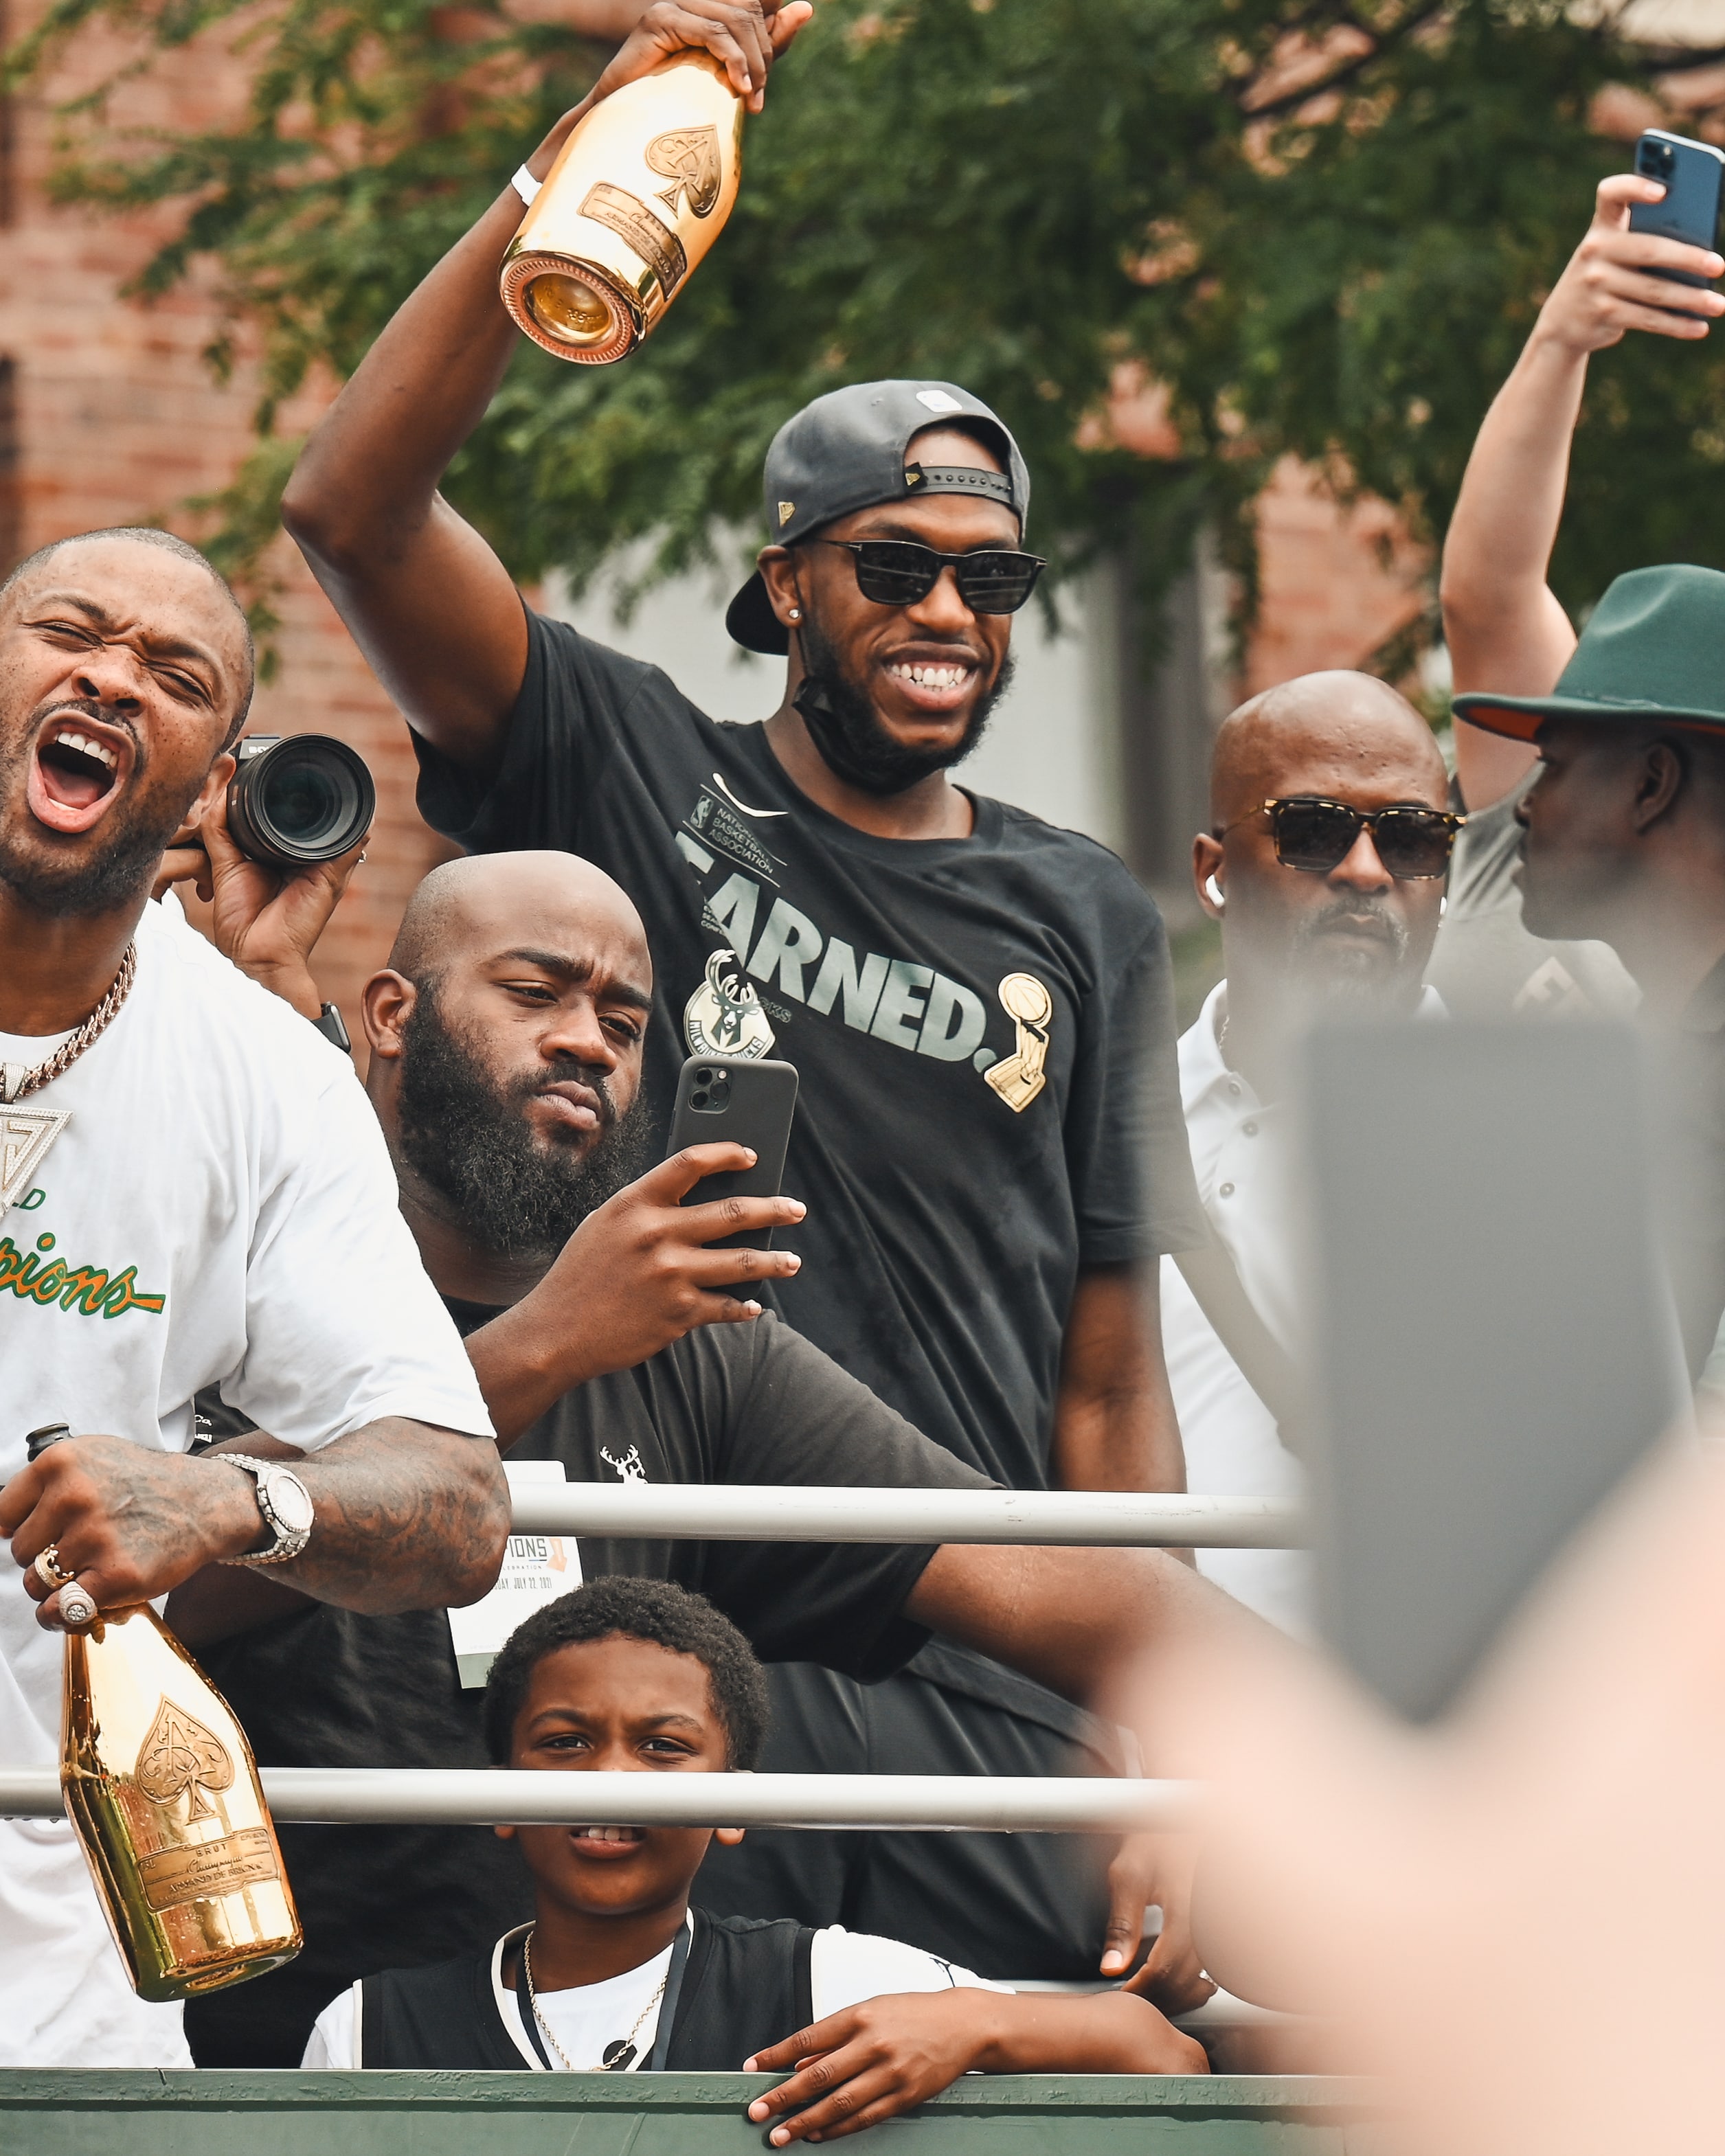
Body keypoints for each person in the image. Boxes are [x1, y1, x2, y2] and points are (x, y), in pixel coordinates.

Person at [277, 0, 1206, 1992]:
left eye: (991, 582)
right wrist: (578, 154)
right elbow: (351, 510)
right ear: (782, 579)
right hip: (636, 1592)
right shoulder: (631, 774)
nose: (946, 617)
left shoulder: (1082, 908)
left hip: (961, 1635)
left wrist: (1159, 1741)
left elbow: (1109, 1373)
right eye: (892, 567)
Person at [168, 842, 1241, 2067]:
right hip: (249, 2062)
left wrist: (1183, 1764)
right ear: (394, 1016)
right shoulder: (234, 1278)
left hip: (585, 2067)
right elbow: (140, 1581)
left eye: (624, 1021)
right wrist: (545, 1343)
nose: (587, 1041)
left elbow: (1104, 1599)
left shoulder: (687, 1349)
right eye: (537, 991)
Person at [0, 527, 508, 2068]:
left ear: (212, 782)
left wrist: (237, 1504)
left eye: (174, 675)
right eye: (69, 633)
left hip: (41, 1968)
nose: (108, 676)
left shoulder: (267, 1079)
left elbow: (457, 1502)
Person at [300, 1576, 1208, 2129]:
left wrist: (968, 2022)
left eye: (662, 1745)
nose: (608, 1778)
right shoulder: (367, 2028)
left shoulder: (827, 1982)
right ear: (500, 1789)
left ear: (735, 1798)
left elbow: (1165, 2055)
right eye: (566, 1740)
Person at [1161, 672, 1456, 1634]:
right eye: (1313, 829)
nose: (1366, 872)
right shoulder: (1113, 1128)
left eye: (1410, 838)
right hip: (1163, 1741)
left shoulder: (1519, 1139)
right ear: (1212, 869)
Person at [1428, 170, 1718, 1024]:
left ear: (1654, 785)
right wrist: (1559, 341)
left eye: (1552, 764)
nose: (1521, 801)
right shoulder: (1538, 890)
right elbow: (1487, 596)